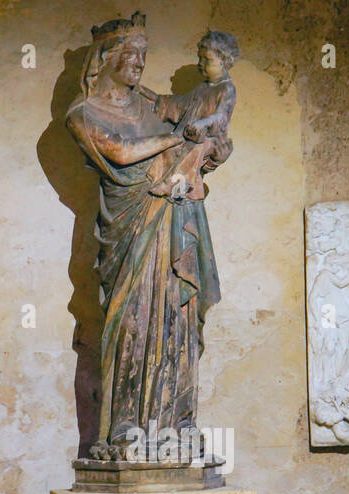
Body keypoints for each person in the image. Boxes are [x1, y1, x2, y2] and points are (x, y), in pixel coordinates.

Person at [65, 12, 224, 460]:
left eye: (144, 55)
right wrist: (176, 143)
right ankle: (125, 430)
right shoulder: (83, 114)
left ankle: (177, 425)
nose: (139, 63)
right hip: (131, 236)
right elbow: (120, 152)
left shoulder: (152, 107)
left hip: (174, 225)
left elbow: (197, 130)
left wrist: (208, 147)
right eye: (132, 54)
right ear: (105, 58)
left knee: (177, 322)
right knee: (131, 325)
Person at [151, 29, 238, 200]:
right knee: (170, 145)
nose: (201, 63)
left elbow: (221, 116)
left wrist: (203, 123)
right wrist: (154, 98)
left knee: (195, 148)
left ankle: (177, 184)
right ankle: (164, 178)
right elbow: (180, 104)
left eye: (208, 60)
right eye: (200, 58)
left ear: (225, 62)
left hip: (210, 139)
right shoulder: (202, 87)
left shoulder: (226, 88)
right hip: (190, 135)